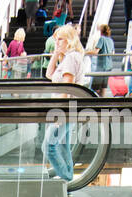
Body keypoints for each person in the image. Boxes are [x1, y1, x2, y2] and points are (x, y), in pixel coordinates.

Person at [44, 26, 84, 184]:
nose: (56, 42)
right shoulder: (70, 57)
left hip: (66, 111)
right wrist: (55, 54)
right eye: (56, 39)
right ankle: (67, 179)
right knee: (62, 146)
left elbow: (67, 87)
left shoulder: (71, 59)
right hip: (69, 110)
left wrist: (60, 113)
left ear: (70, 40)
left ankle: (66, 178)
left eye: (60, 39)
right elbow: (49, 74)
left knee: (48, 146)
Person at [90, 23, 115, 92]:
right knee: (104, 87)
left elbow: (96, 51)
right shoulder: (111, 40)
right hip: (109, 66)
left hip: (101, 66)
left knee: (96, 88)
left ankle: (96, 102)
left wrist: (85, 52)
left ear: (101, 31)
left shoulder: (102, 39)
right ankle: (103, 101)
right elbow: (113, 53)